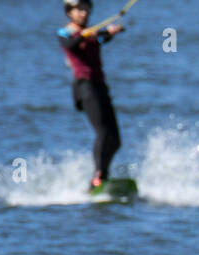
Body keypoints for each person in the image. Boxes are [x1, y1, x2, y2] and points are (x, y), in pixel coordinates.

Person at [57, 0, 124, 190]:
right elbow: (70, 44)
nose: (84, 13)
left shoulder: (91, 34)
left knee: (115, 139)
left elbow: (100, 39)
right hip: (85, 88)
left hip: (100, 86)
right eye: (79, 10)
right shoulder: (65, 32)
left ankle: (103, 175)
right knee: (103, 133)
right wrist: (86, 34)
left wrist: (110, 32)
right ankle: (98, 177)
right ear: (70, 12)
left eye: (86, 9)